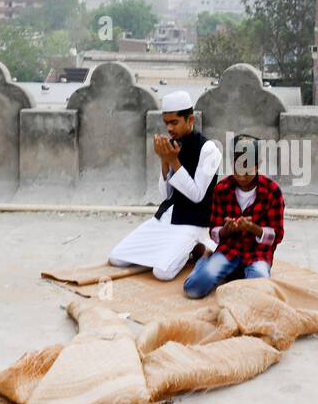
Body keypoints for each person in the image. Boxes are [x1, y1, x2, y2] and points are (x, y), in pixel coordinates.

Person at [108, 90, 220, 280]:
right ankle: (180, 249)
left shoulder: (209, 150)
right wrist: (164, 161)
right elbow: (166, 195)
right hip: (167, 217)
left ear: (190, 120)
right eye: (166, 122)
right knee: (116, 258)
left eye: (174, 122)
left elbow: (197, 195)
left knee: (162, 273)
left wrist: (174, 161)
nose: (169, 128)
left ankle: (199, 245)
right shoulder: (172, 144)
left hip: (192, 222)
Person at [184, 133, 285, 299]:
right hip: (229, 250)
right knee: (193, 289)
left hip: (257, 254)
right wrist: (226, 230)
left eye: (247, 167)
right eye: (238, 166)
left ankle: (241, 273)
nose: (242, 173)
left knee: (259, 296)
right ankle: (205, 258)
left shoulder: (272, 191)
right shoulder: (222, 189)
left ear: (258, 165)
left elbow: (277, 235)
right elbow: (214, 232)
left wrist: (255, 229)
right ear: (232, 163)